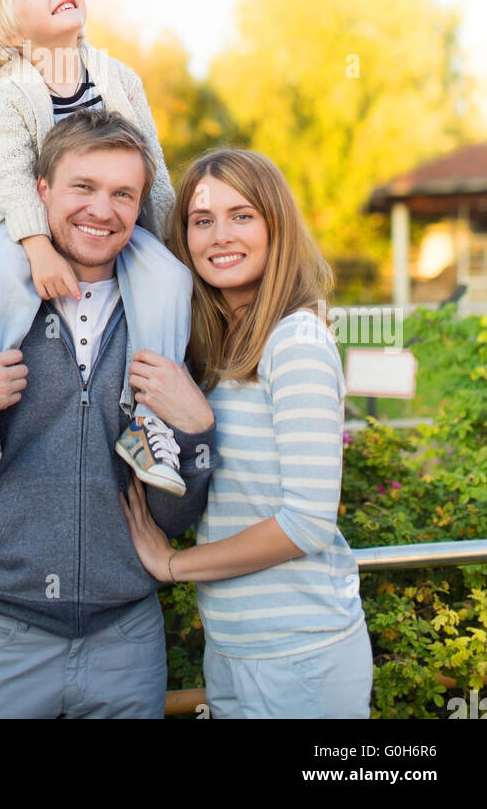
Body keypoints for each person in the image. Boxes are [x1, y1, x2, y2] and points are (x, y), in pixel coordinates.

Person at [0, 111, 219, 720]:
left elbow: (175, 514)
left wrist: (192, 438)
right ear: (41, 191)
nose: (102, 211)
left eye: (123, 194)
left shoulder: (166, 319)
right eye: (83, 187)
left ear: (140, 206)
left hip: (125, 644)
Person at [120, 148, 373, 720]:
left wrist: (174, 566)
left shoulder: (296, 343)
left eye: (242, 215)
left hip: (301, 656)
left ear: (274, 226)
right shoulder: (214, 351)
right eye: (202, 220)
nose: (219, 236)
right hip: (234, 649)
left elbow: (306, 522)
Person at [0, 0, 194, 497]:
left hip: (109, 225)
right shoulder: (9, 93)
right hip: (23, 224)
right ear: (11, 32)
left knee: (169, 280)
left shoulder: (119, 78)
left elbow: (150, 168)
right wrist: (37, 245)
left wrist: (166, 244)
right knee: (5, 272)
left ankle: (147, 422)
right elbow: (10, 177)